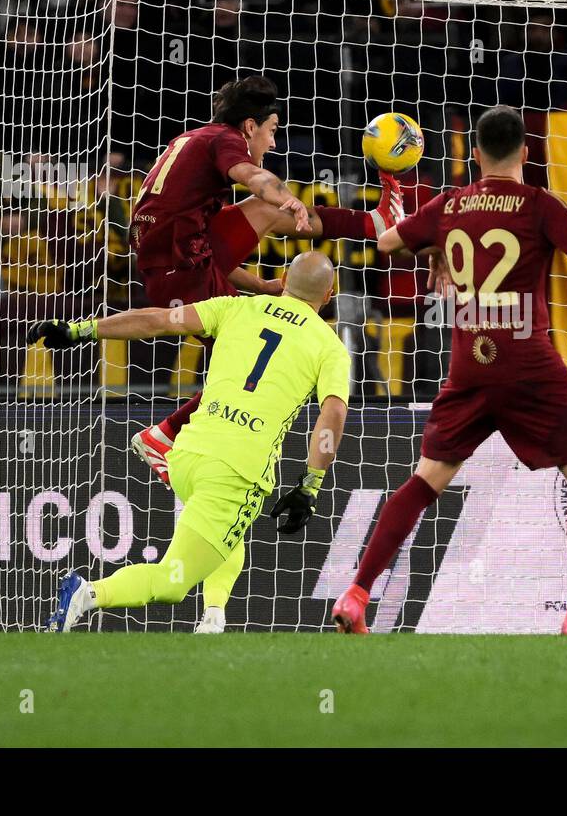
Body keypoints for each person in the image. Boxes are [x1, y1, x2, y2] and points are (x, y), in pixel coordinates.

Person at [328, 105, 567, 636]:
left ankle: (357, 593)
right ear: (525, 152)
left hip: (470, 364)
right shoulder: (536, 204)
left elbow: (387, 242)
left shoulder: (449, 203)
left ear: (476, 154)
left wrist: (436, 246)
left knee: (426, 479)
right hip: (529, 364)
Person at [34, 251, 351, 634]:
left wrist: (81, 331)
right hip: (237, 469)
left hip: (187, 454)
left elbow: (156, 320)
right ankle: (87, 593)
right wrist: (311, 485)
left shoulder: (235, 307)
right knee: (173, 581)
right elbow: (333, 413)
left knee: (227, 533)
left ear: (283, 280)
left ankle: (214, 616)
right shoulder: (329, 346)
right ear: (329, 295)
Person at [128, 73, 403, 488]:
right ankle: (165, 435)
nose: (273, 143)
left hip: (178, 256)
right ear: (250, 126)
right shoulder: (228, 141)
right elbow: (255, 178)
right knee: (251, 361)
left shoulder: (196, 139)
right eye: (272, 131)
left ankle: (374, 222)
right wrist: (287, 197)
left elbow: (207, 250)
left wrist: (262, 285)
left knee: (264, 211)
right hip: (177, 270)